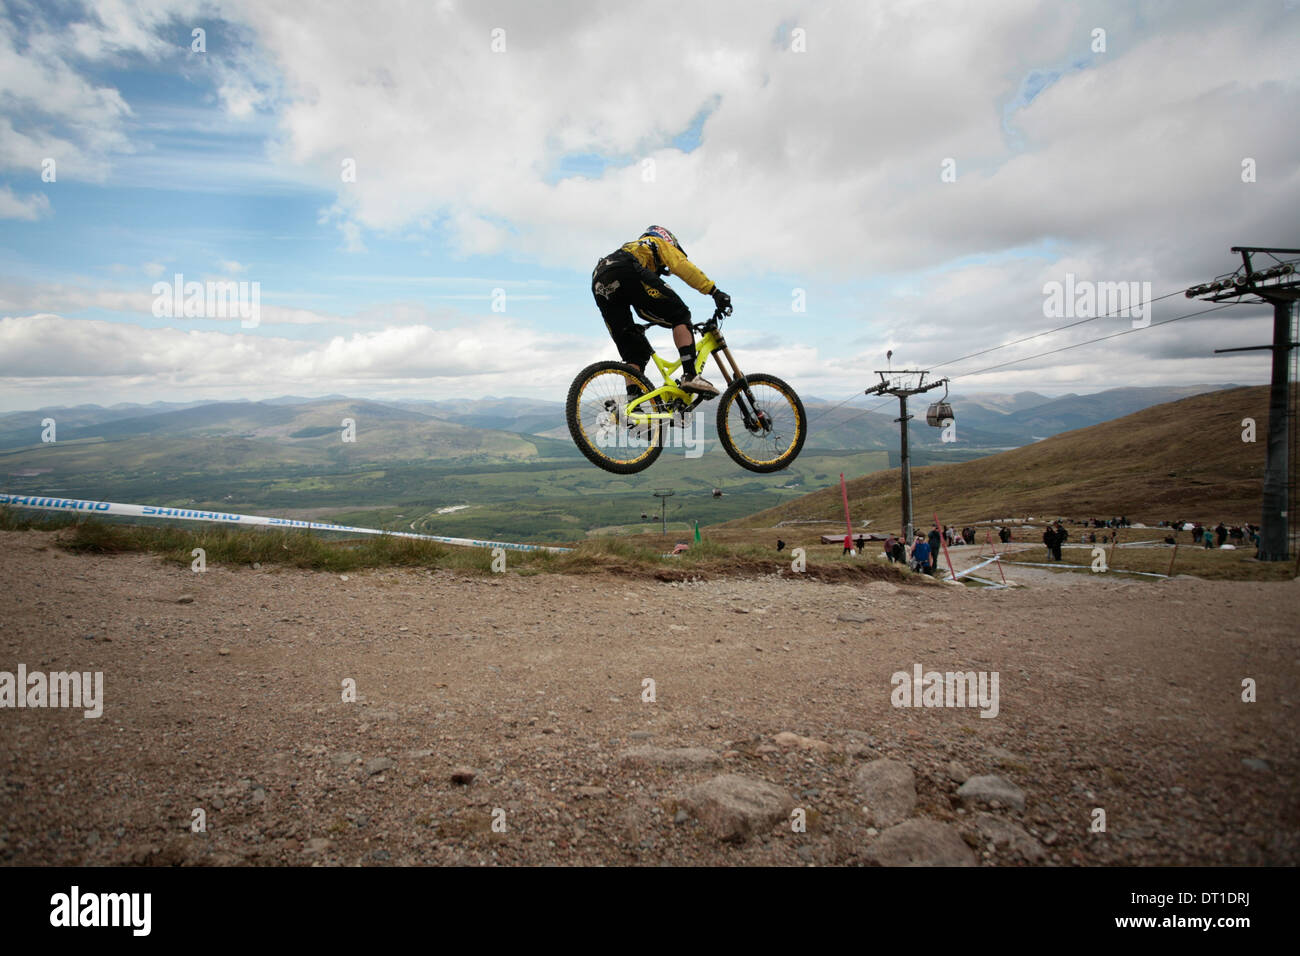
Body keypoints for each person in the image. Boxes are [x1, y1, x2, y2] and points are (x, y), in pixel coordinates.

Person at [591, 225, 732, 398]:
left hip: (599, 279)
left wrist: (656, 324)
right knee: (680, 314)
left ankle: (633, 405)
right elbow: (682, 266)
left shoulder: (632, 248)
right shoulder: (656, 242)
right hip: (625, 268)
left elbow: (644, 307)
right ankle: (690, 375)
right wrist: (713, 291)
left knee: (635, 352)